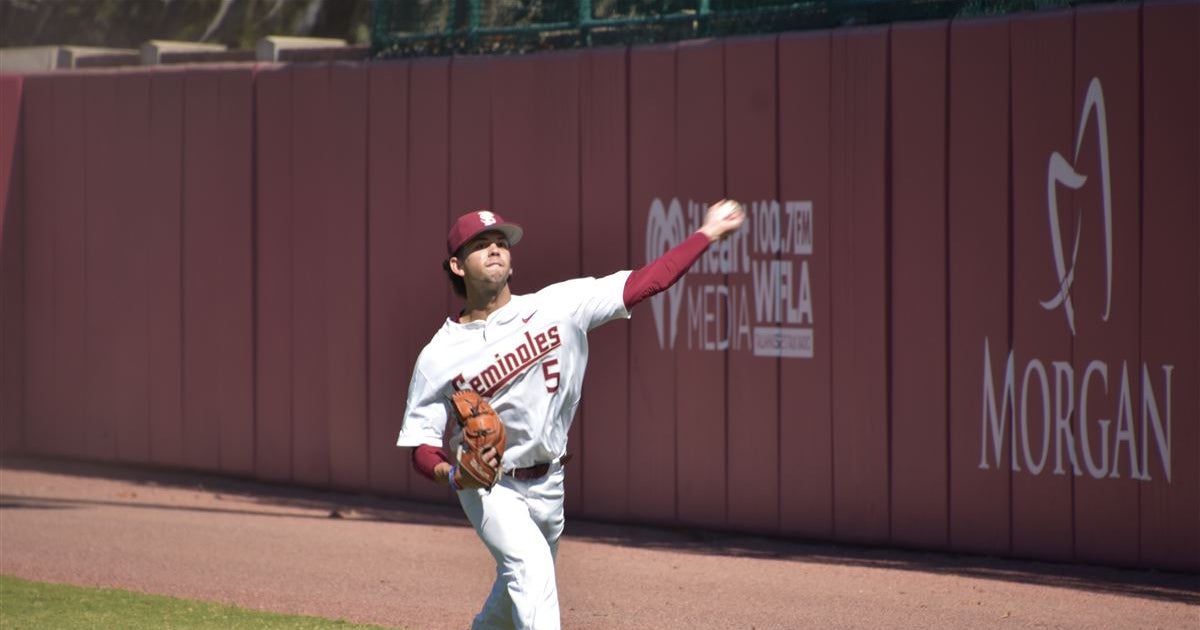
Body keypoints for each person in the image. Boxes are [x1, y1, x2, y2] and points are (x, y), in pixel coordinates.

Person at [396, 201, 746, 630]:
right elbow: (421, 446)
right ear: (456, 265)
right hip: (489, 484)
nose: (495, 250)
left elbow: (647, 281)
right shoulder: (439, 354)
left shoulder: (560, 305)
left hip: (550, 481)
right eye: (481, 244)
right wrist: (453, 476)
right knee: (531, 573)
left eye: (501, 243)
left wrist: (706, 234)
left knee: (513, 596)